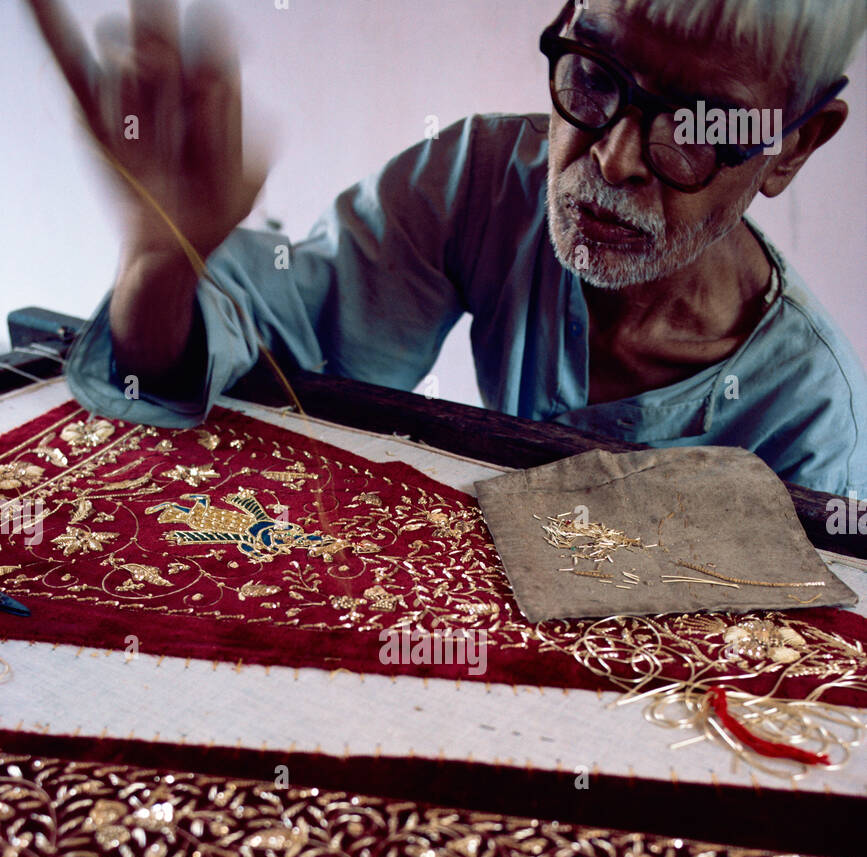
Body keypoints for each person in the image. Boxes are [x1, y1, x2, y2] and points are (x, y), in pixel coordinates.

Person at [26, 0, 867, 493]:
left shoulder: (811, 416)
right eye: (593, 74)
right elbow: (272, 345)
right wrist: (164, 258)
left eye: (697, 125)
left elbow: (773, 683)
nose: (611, 158)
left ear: (793, 145)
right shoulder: (484, 177)